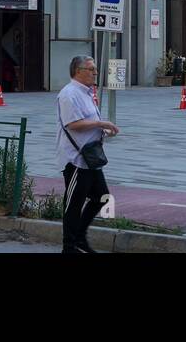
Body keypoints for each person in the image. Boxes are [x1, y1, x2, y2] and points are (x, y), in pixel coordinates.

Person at [57, 56, 119, 253]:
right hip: (76, 159)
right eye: (91, 69)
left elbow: (89, 119)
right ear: (78, 71)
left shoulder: (86, 92)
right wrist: (102, 124)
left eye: (95, 69)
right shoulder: (69, 94)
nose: (95, 73)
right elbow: (72, 124)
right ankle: (69, 247)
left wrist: (103, 130)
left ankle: (80, 239)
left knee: (102, 197)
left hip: (90, 158)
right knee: (73, 204)